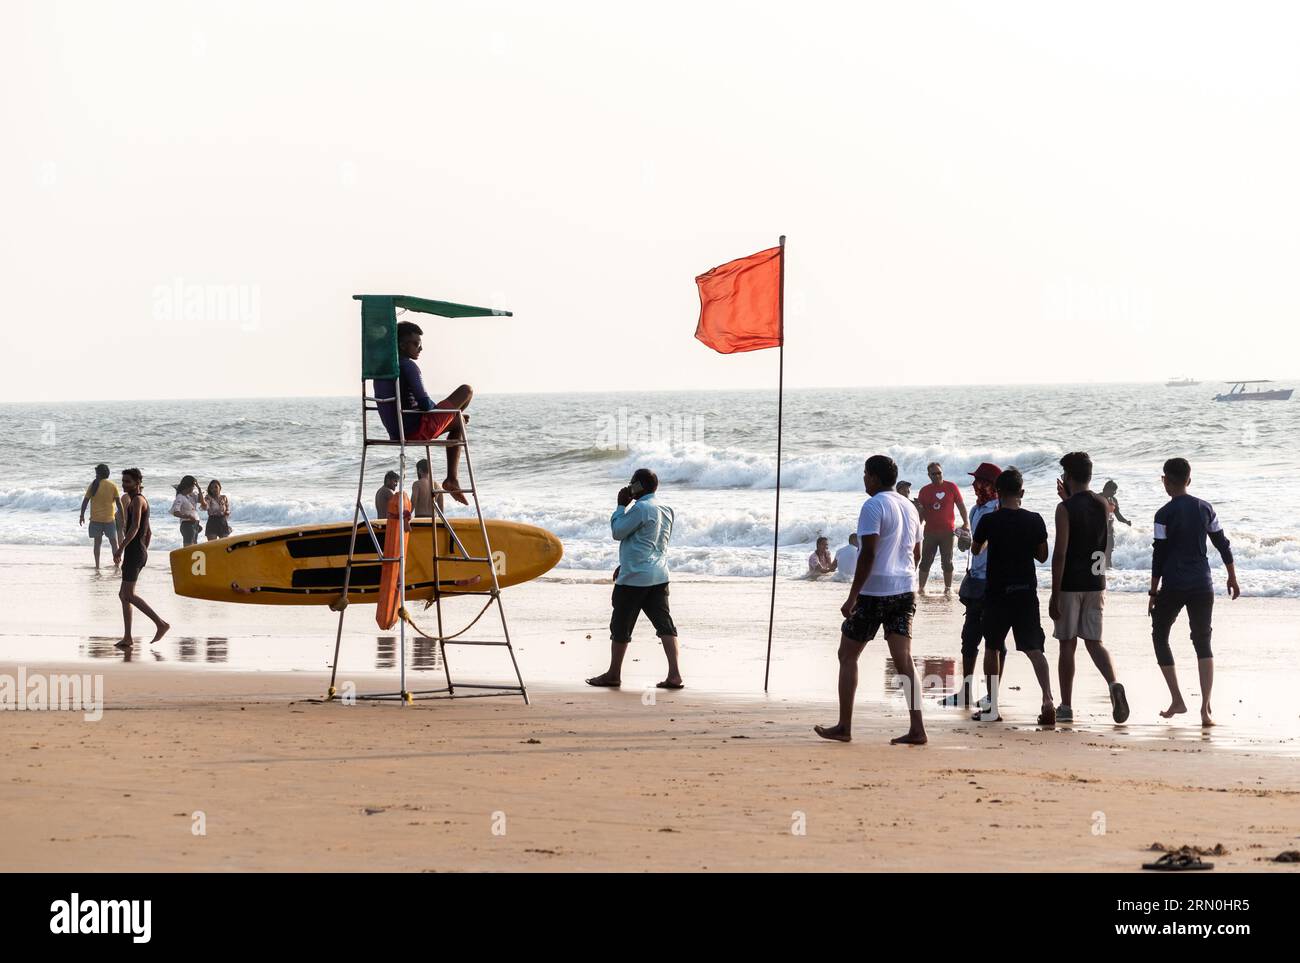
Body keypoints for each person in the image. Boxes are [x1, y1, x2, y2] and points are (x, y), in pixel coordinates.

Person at [814, 454, 926, 745]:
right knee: (904, 660)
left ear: (874, 478)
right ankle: (917, 728)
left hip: (874, 592)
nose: (864, 479)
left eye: (866, 474)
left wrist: (852, 596)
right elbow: (917, 555)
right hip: (904, 589)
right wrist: (905, 578)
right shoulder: (910, 508)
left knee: (847, 654)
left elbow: (868, 554)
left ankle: (844, 726)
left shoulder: (873, 505)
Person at [1149, 458, 1239, 727]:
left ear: (1166, 480)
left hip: (1174, 584)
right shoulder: (1205, 508)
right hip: (1202, 584)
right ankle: (1205, 709)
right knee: (1203, 641)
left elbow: (1159, 555)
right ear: (1189, 480)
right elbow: (1222, 544)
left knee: (1159, 635)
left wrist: (1153, 592)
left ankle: (1177, 699)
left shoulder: (1162, 514)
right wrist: (1232, 577)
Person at [970, 468, 1056, 726]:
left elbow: (976, 550)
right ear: (1022, 492)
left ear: (997, 493)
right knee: (1034, 648)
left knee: (992, 647)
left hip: (997, 592)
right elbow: (1042, 556)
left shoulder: (989, 520)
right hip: (1025, 591)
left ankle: (993, 705)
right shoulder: (1035, 520)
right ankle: (1048, 699)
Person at [1049, 451, 1129, 723]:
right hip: (1097, 582)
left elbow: (1060, 553)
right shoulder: (1104, 504)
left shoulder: (1065, 509)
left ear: (1068, 477)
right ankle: (1114, 684)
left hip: (1072, 583)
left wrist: (1053, 594)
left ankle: (1067, 706)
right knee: (1095, 642)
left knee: (1067, 644)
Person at [586, 469, 681, 690]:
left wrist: (621, 505)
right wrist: (625, 562)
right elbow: (652, 542)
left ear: (638, 486)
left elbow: (618, 532)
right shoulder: (666, 509)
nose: (628, 488)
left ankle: (613, 673)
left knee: (620, 625)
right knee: (665, 624)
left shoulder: (640, 508)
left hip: (635, 579)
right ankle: (675, 675)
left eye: (631, 484)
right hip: (659, 574)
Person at [373, 320, 473, 505]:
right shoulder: (408, 366)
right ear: (402, 345)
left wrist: (451, 415)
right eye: (416, 344)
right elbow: (425, 403)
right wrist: (450, 412)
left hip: (396, 432)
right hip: (415, 429)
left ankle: (452, 479)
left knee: (458, 421)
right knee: (466, 390)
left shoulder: (382, 369)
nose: (420, 349)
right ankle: (452, 478)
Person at [940, 462, 1001, 708]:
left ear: (991, 485)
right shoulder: (977, 510)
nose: (976, 485)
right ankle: (966, 691)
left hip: (992, 580)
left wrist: (974, 541)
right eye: (976, 481)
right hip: (976, 579)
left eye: (981, 481)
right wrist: (964, 540)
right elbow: (972, 548)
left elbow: (988, 543)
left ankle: (991, 696)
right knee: (969, 639)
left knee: (994, 643)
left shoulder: (998, 509)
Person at [111, 468, 168, 648]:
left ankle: (160, 623)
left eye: (127, 481)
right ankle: (128, 637)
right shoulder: (141, 500)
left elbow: (135, 527)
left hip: (134, 551)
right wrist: (143, 550)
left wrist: (120, 548)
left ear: (137, 483)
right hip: (137, 551)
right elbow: (148, 531)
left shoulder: (137, 500)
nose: (124, 484)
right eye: (123, 481)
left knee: (128, 594)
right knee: (123, 595)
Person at [917, 462, 968, 596]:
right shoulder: (924, 490)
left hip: (948, 532)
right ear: (929, 475)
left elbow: (961, 506)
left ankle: (948, 588)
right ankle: (921, 588)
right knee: (926, 561)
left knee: (947, 561)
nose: (937, 475)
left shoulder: (951, 487)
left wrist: (966, 523)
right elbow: (921, 513)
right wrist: (916, 528)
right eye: (934, 473)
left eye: (939, 472)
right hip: (930, 532)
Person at [78, 463, 122, 571]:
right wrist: (123, 517)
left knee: (97, 544)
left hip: (95, 520)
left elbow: (85, 501)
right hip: (109, 520)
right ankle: (117, 565)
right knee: (114, 543)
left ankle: (97, 566)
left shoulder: (93, 485)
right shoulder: (113, 486)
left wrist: (82, 515)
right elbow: (119, 504)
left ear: (98, 474)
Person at [1100, 479, 1132, 568]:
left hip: (1110, 530)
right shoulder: (1098, 498)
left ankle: (1109, 572)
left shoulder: (1114, 500)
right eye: (1113, 490)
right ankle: (1098, 573)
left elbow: (1118, 515)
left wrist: (1126, 521)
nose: (1115, 492)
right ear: (1107, 489)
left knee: (1109, 551)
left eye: (1115, 490)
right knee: (1099, 552)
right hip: (1099, 530)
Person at [170, 475, 205, 547]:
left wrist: (199, 489)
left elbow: (201, 501)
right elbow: (175, 512)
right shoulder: (180, 497)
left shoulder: (191, 495)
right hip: (187, 524)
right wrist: (187, 516)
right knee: (188, 546)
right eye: (193, 486)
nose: (194, 487)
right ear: (188, 486)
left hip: (195, 524)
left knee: (194, 546)